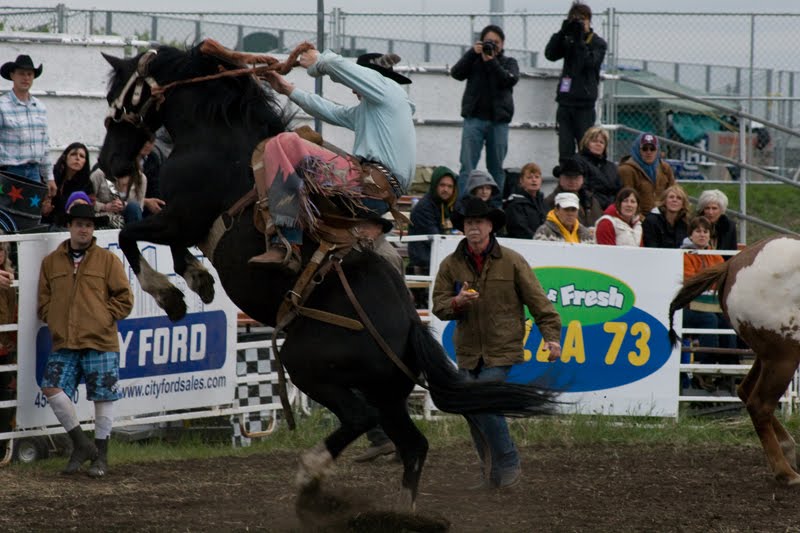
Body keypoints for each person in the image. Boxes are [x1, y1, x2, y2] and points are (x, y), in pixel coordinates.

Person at [432, 196, 562, 490]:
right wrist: (457, 302)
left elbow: (539, 303)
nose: (473, 228)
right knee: (471, 405)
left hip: (502, 349)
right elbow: (439, 306)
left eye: (478, 222)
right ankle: (490, 473)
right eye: (468, 223)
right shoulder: (450, 264)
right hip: (467, 352)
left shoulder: (513, 261)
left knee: (483, 399)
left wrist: (552, 338)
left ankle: (508, 462)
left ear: (490, 225)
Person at [252, 46, 416, 273]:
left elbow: (338, 66)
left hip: (367, 185)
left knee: (283, 144)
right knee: (304, 141)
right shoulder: (377, 109)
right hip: (373, 188)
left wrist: (318, 60)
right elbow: (331, 111)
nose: (352, 88)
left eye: (355, 81)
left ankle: (287, 240)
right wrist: (287, 89)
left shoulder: (388, 91)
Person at [37, 200, 133, 477]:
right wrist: (53, 317)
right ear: (69, 226)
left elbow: (124, 298)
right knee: (51, 388)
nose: (84, 230)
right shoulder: (51, 262)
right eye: (79, 224)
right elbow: (44, 301)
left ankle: (101, 456)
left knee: (103, 397)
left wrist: (103, 317)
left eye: (89, 225)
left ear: (93, 229)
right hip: (65, 339)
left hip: (100, 339)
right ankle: (81, 443)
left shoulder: (107, 260)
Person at [352, 213, 402, 462]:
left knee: (364, 387)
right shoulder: (377, 253)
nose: (360, 230)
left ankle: (382, 439)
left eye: (365, 225)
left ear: (378, 228)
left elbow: (387, 297)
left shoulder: (383, 256)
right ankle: (394, 441)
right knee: (382, 391)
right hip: (379, 330)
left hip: (378, 331)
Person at [451, 24, 519, 207]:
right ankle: (463, 208)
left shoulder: (509, 62)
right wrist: (472, 53)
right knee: (467, 166)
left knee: (496, 168)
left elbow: (508, 80)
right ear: (481, 41)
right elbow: (456, 73)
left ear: (503, 44)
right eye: (489, 42)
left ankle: (495, 208)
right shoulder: (473, 60)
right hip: (474, 119)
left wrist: (491, 61)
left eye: (496, 42)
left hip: (499, 123)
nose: (493, 46)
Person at [544, 2, 607, 164]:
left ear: (589, 21)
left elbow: (589, 62)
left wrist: (580, 39)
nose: (579, 22)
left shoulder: (598, 43)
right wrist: (562, 32)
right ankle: (566, 183)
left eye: (582, 19)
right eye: (575, 19)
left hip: (584, 105)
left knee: (586, 149)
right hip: (565, 102)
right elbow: (550, 54)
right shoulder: (568, 39)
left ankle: (585, 185)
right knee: (565, 150)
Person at [680, 216, 737, 365]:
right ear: (690, 234)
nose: (702, 235)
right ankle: (707, 366)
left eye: (705, 231)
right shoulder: (684, 255)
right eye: (697, 231)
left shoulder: (715, 255)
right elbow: (690, 283)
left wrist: (706, 282)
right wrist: (710, 282)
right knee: (709, 319)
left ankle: (729, 367)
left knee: (727, 319)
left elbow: (722, 280)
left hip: (710, 304)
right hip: (688, 305)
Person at [0, 54, 52, 189]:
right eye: (21, 74)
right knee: (7, 210)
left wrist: (49, 177)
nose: (26, 78)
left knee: (31, 210)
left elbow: (45, 145)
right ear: (12, 76)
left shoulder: (40, 107)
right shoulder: (2, 105)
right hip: (9, 172)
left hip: (34, 171)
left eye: (29, 74)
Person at [407, 166, 458, 275]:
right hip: (425, 266)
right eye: (442, 185)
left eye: (450, 186)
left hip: (439, 262)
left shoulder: (447, 206)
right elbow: (436, 240)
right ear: (435, 185)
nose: (446, 190)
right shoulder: (424, 207)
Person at [618, 132, 676, 215]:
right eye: (644, 148)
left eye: (652, 148)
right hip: (638, 219)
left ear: (657, 150)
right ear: (638, 149)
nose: (649, 152)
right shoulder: (626, 170)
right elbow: (626, 202)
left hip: (663, 217)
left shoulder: (665, 168)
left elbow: (675, 192)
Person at [41, 142, 94, 228]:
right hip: (45, 224)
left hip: (71, 227)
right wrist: (43, 209)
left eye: (82, 156)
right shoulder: (51, 175)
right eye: (73, 154)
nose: (77, 158)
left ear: (85, 162)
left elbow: (89, 209)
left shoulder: (87, 183)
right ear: (65, 157)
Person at [544, 156, 603, 227]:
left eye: (576, 177)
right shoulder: (551, 202)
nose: (573, 181)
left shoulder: (592, 201)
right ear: (560, 179)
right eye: (568, 177)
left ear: (582, 179)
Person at [573, 126, 620, 209]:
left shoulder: (612, 167)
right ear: (586, 143)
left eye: (602, 142)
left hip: (613, 208)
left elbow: (619, 190)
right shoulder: (578, 161)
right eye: (594, 141)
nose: (598, 144)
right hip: (590, 208)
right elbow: (583, 189)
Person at [0, 242, 16, 450]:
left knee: (5, 394)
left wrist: (10, 339)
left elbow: (13, 313)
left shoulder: (11, 281)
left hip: (4, 346)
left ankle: (2, 445)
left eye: (1, 250)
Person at [504, 162, 547, 239]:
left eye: (537, 177)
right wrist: (538, 239)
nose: (534, 180)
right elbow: (520, 229)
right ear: (521, 181)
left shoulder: (542, 202)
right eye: (529, 177)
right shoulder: (515, 203)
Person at [642, 185, 691, 249]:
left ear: (683, 204)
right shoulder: (651, 221)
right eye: (671, 197)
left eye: (679, 198)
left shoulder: (686, 223)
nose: (674, 200)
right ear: (664, 201)